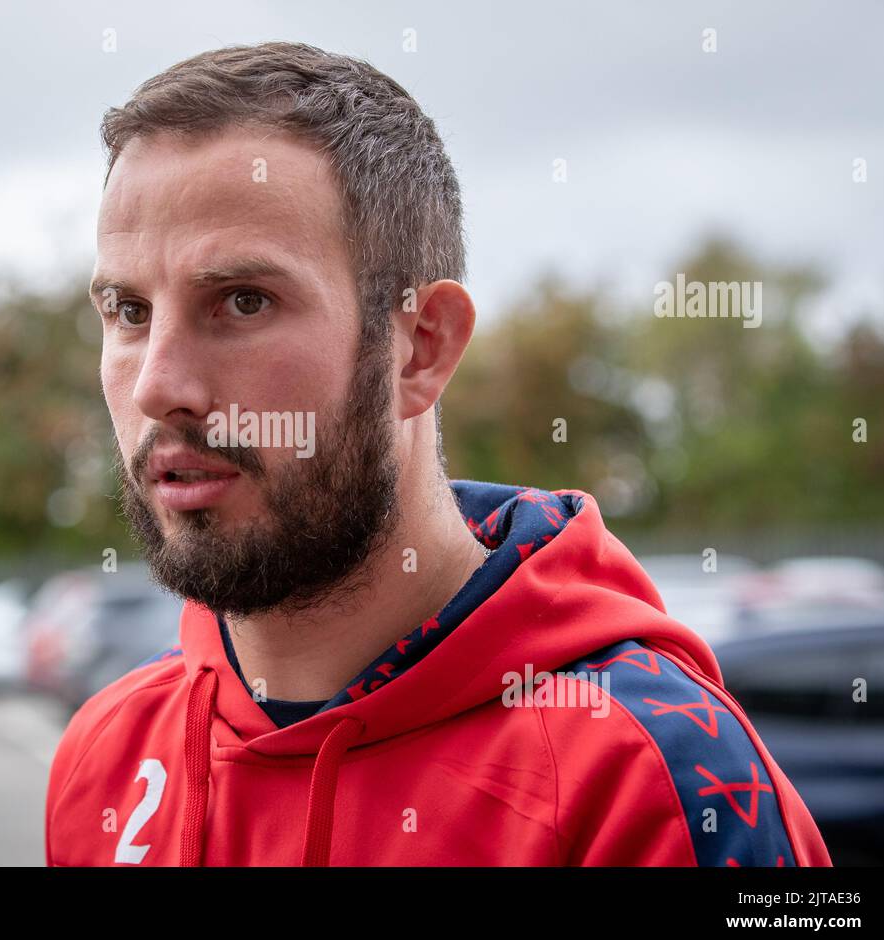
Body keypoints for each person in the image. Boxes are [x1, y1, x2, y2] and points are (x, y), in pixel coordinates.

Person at [45, 41, 831, 866]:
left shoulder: (649, 777)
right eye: (128, 311)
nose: (157, 386)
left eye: (242, 302)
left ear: (421, 347)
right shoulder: (105, 755)